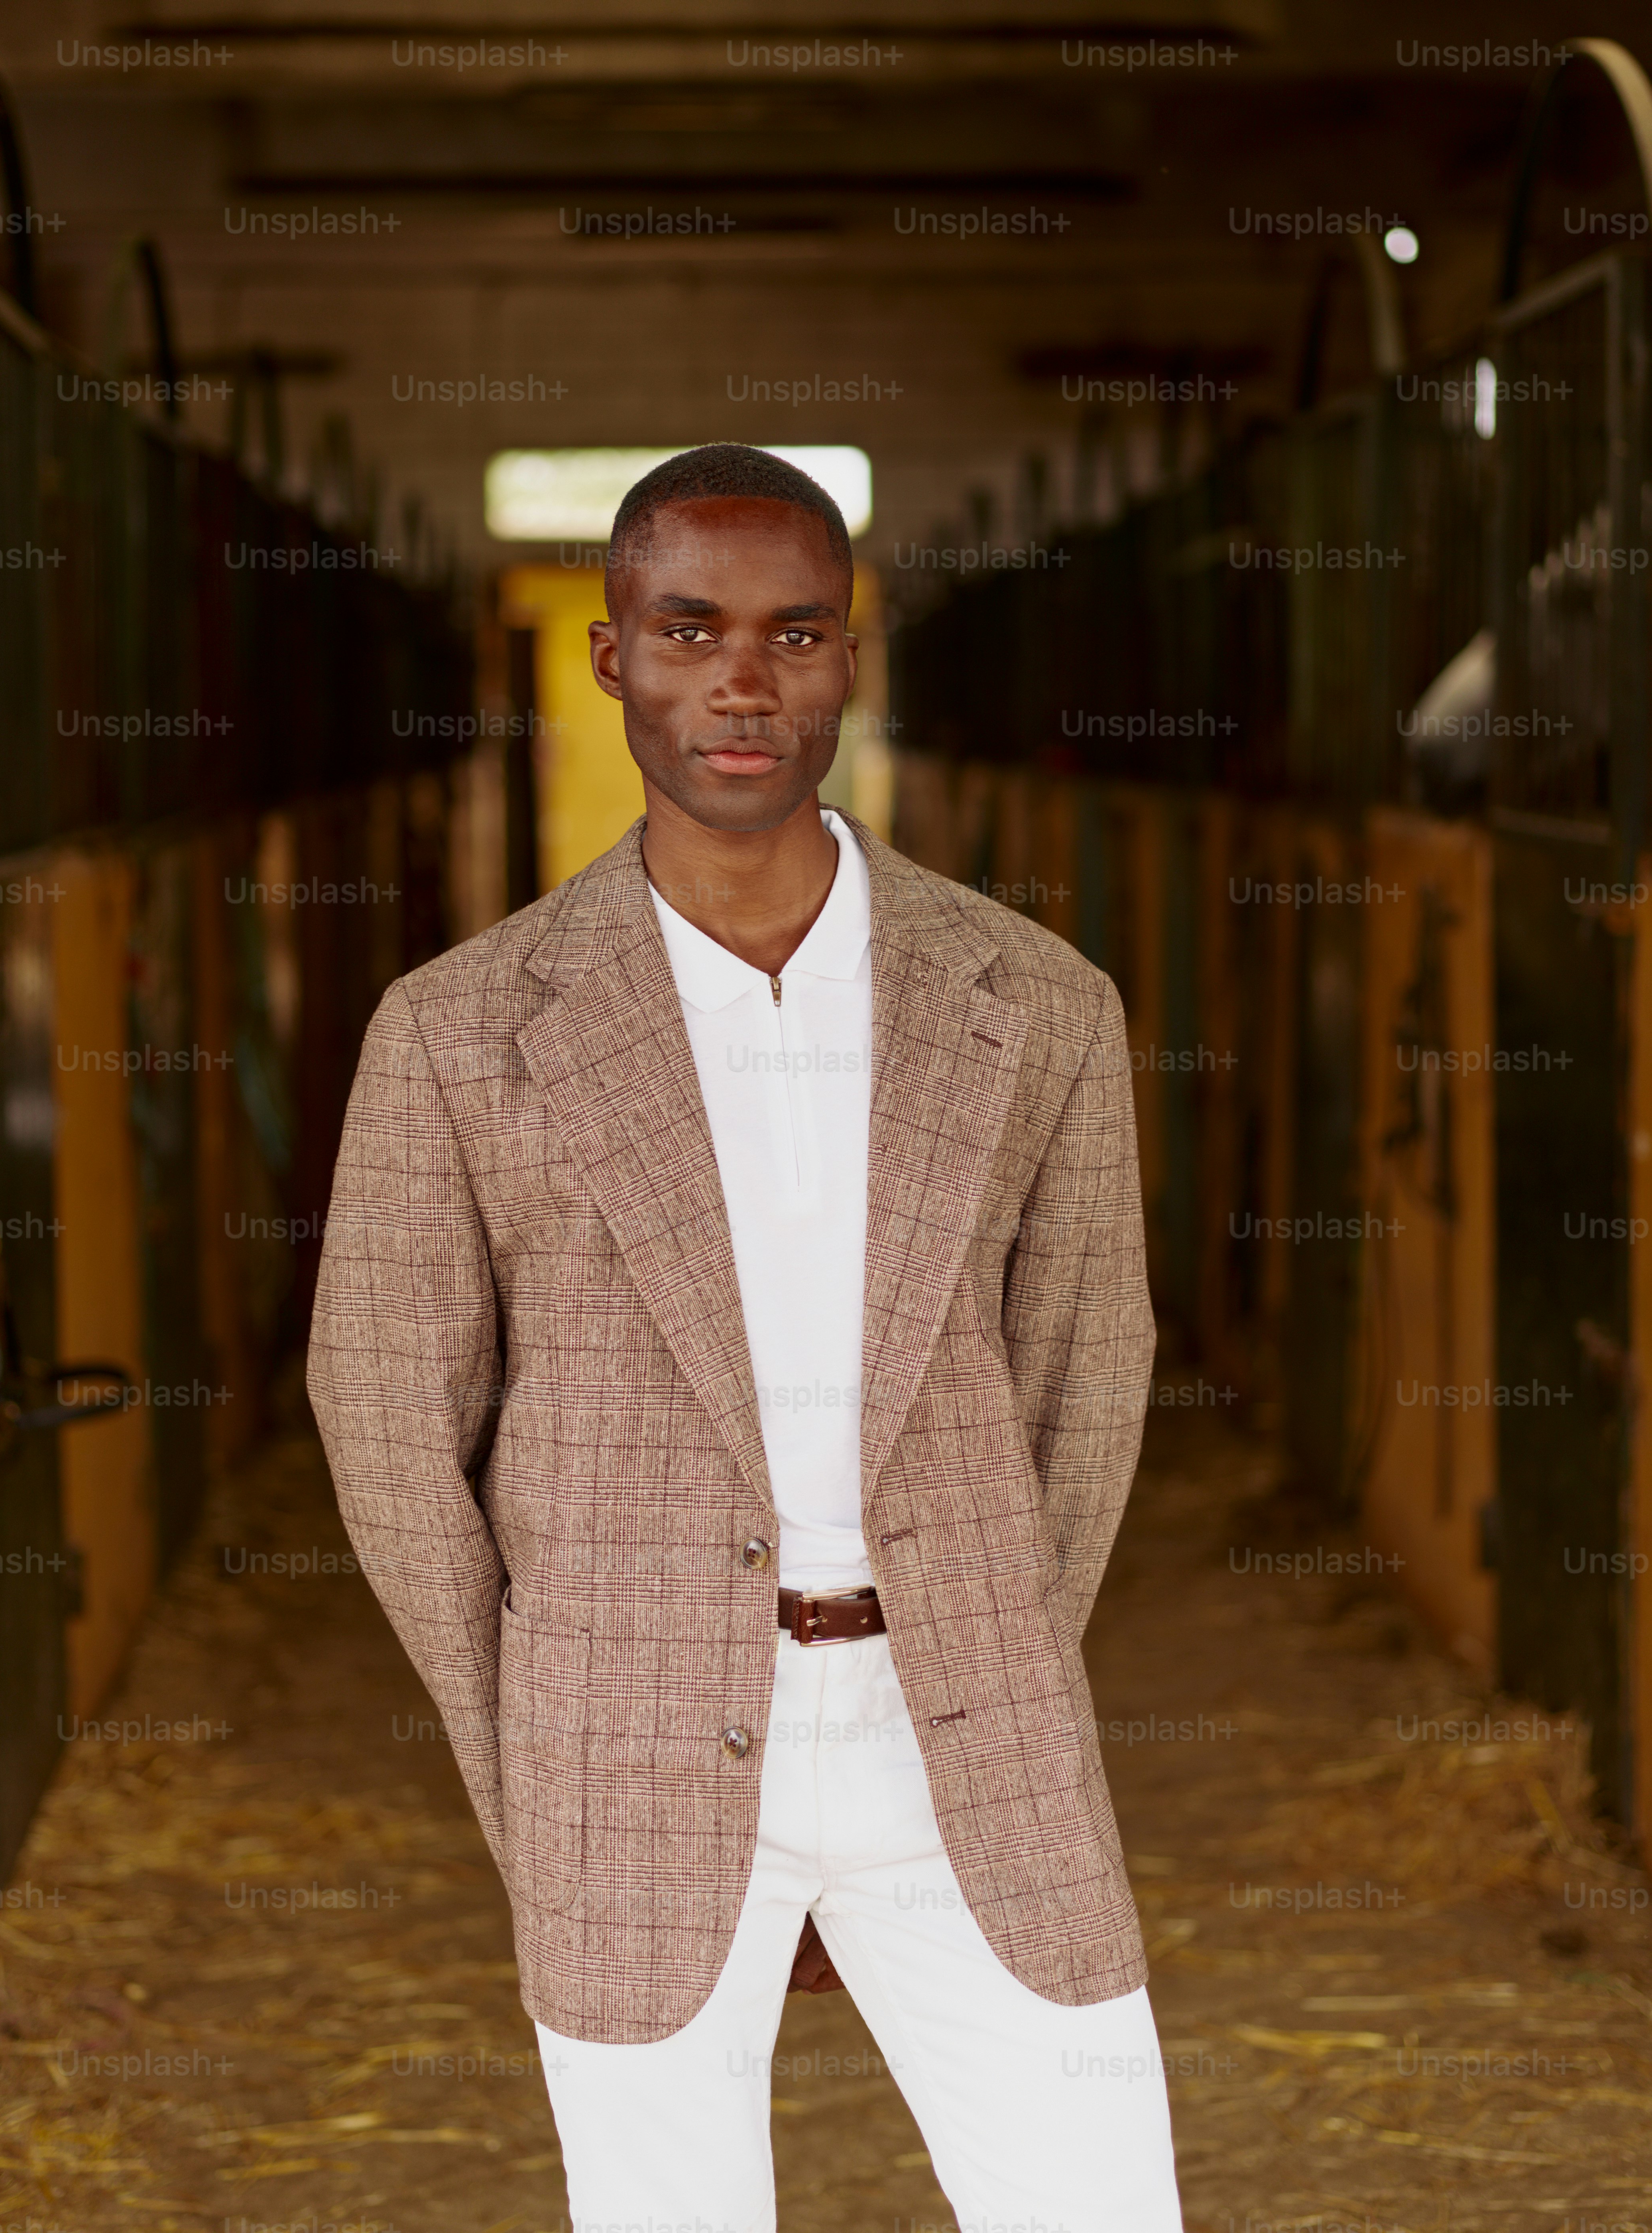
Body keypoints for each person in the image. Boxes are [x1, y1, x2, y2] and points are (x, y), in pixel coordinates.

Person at [308, 443, 1182, 2232]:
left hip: (970, 1726)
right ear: (612, 655)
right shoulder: (459, 1032)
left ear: (852, 657)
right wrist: (528, 1743)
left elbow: (1090, 1381)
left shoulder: (1037, 1005)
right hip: (612, 1730)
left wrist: (989, 1644)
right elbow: (389, 1418)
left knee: (1097, 2200)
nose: (744, 680)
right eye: (690, 628)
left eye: (796, 633)